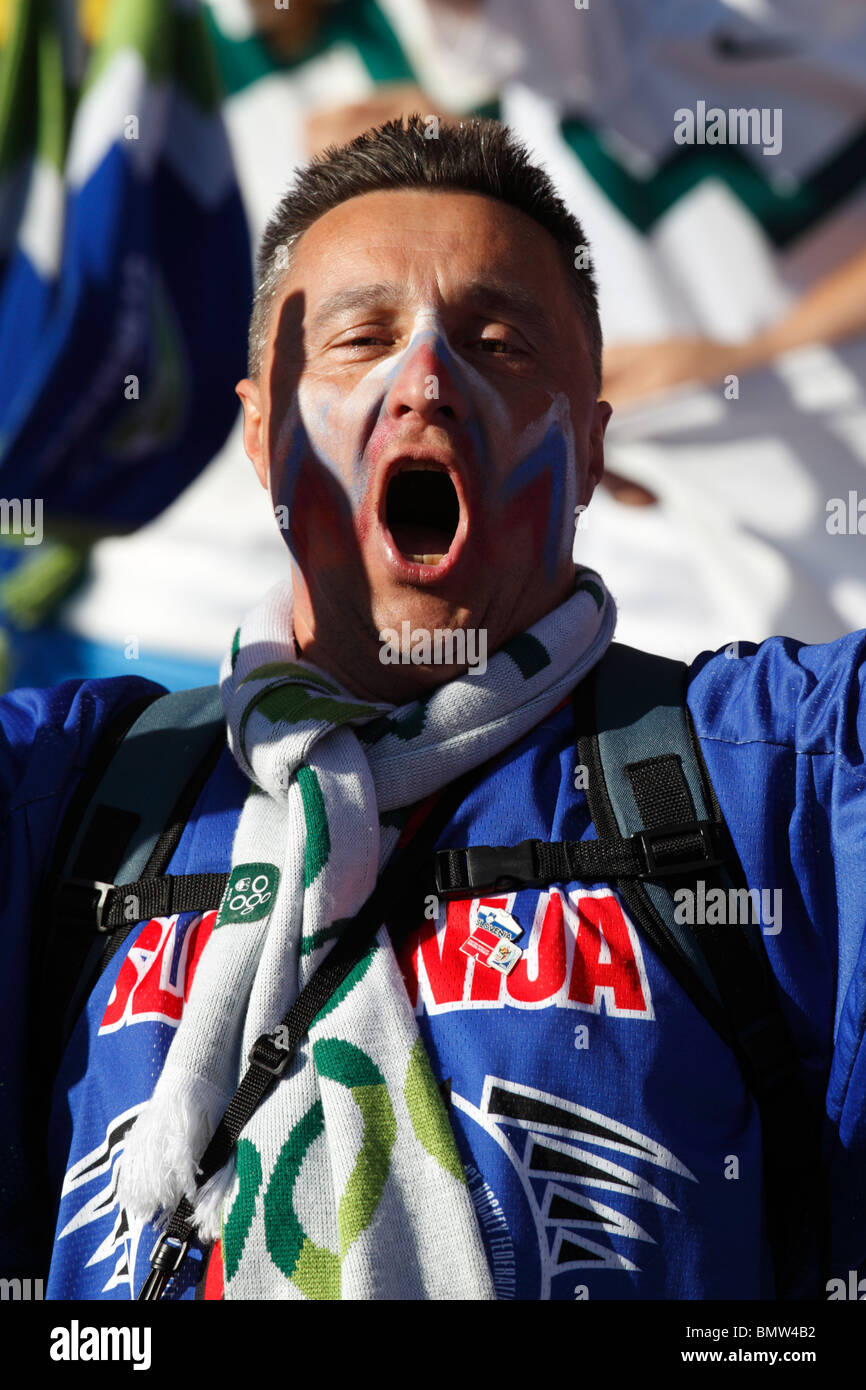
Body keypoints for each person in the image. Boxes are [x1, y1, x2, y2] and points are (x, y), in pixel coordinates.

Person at [2, 116, 864, 1302]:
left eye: (498, 344)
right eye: (359, 338)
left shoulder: (775, 777)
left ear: (592, 445)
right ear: (259, 432)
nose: (425, 382)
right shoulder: (72, 801)